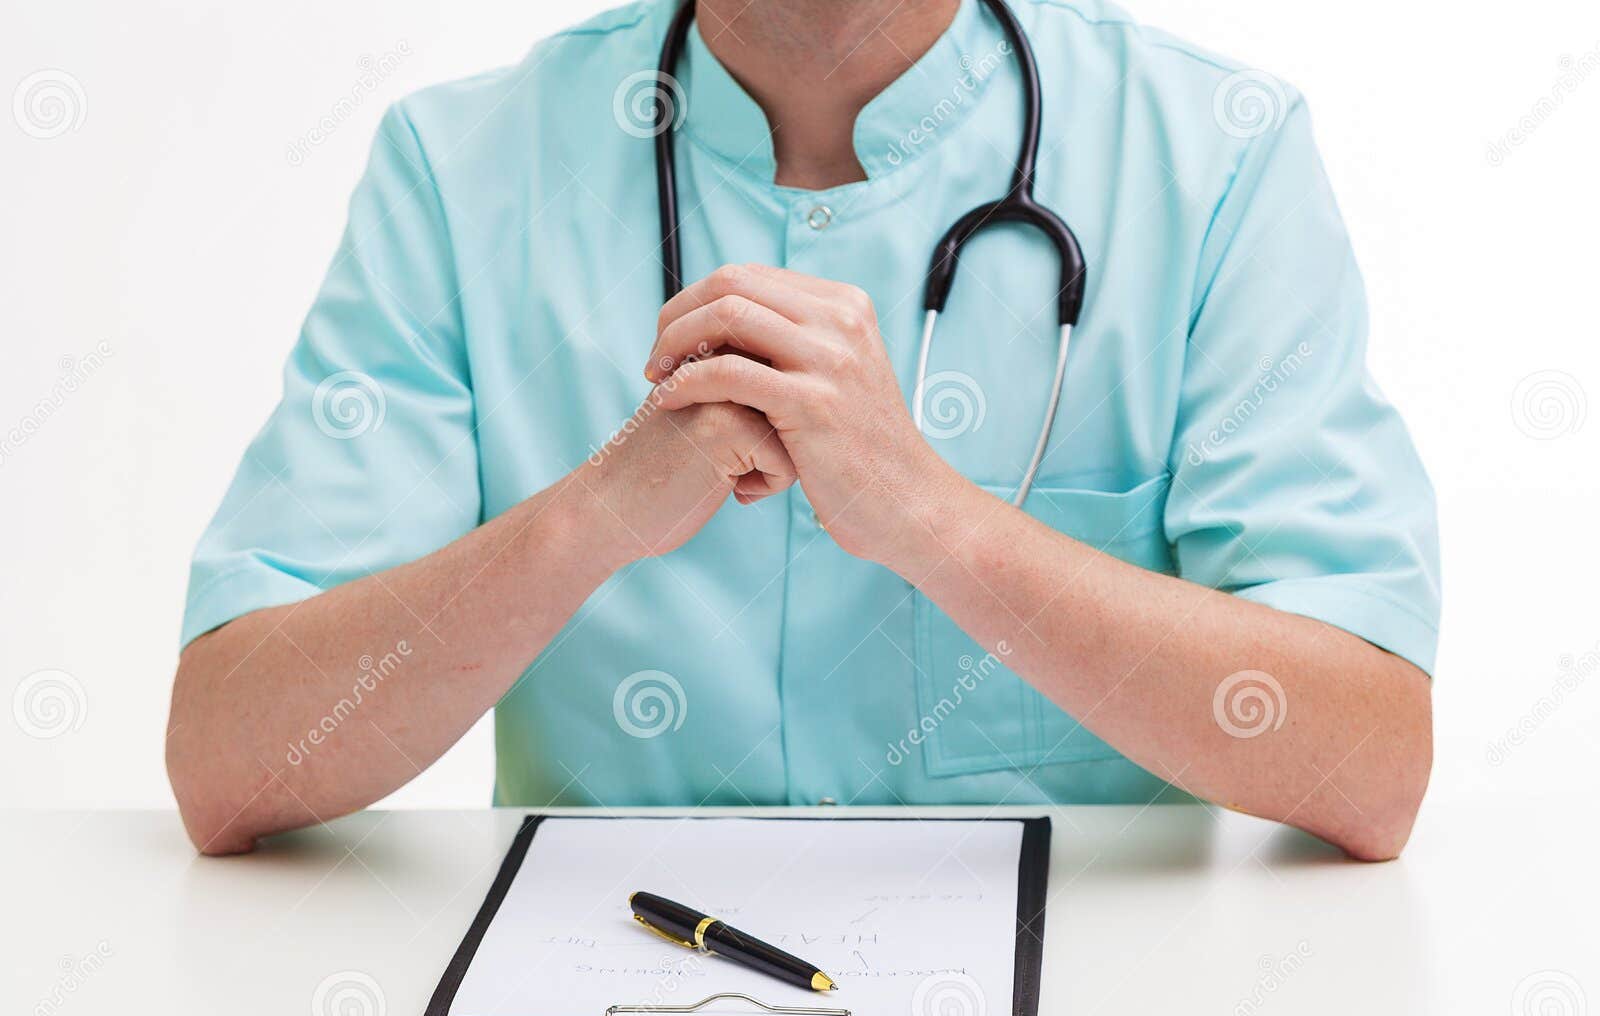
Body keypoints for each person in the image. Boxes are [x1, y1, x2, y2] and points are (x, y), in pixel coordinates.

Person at [166, 0, 1440, 861]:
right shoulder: (463, 169)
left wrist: (935, 521)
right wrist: (588, 517)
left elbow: (1370, 764)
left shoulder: (1210, 159)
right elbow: (230, 763)